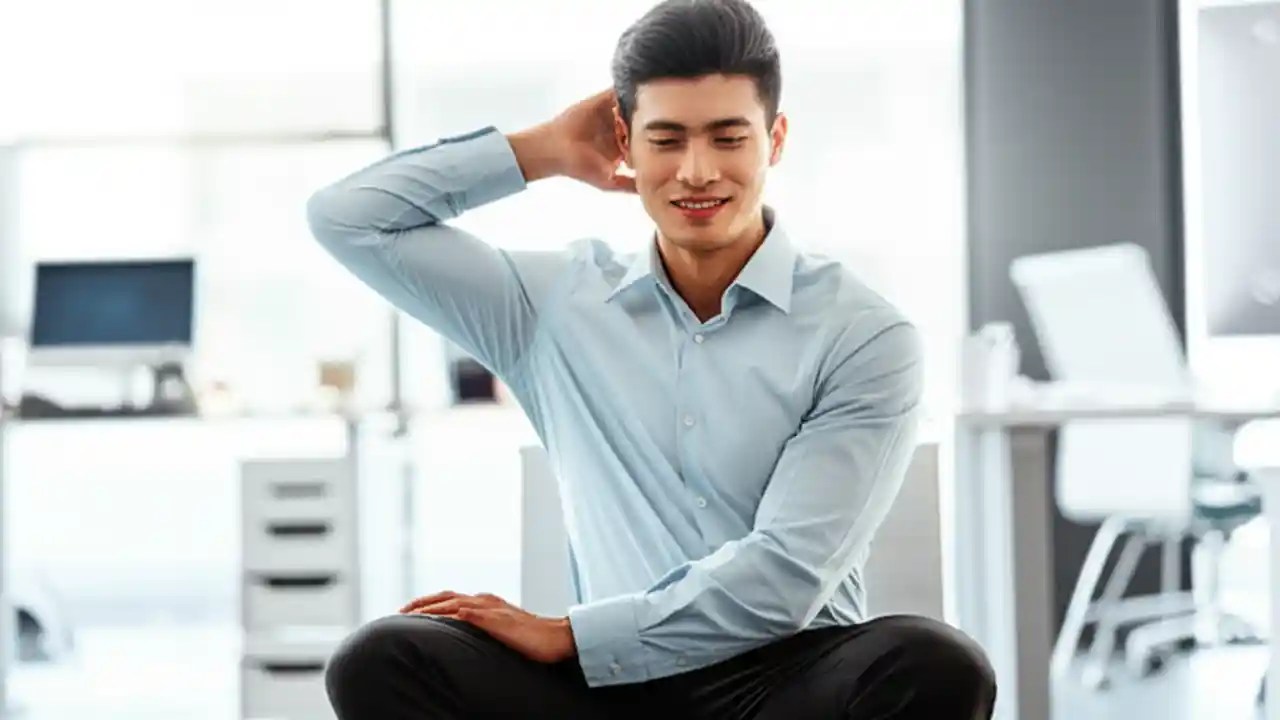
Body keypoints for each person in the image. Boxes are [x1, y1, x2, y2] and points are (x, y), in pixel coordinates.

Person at [309, 0, 995, 717]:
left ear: (775, 140)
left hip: (781, 684)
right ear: (624, 143)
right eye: (666, 140)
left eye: (729, 138)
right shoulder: (552, 307)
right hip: (610, 691)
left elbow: (788, 574)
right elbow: (349, 218)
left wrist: (573, 635)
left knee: (935, 662)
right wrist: (543, 149)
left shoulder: (864, 335)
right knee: (382, 657)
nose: (697, 172)